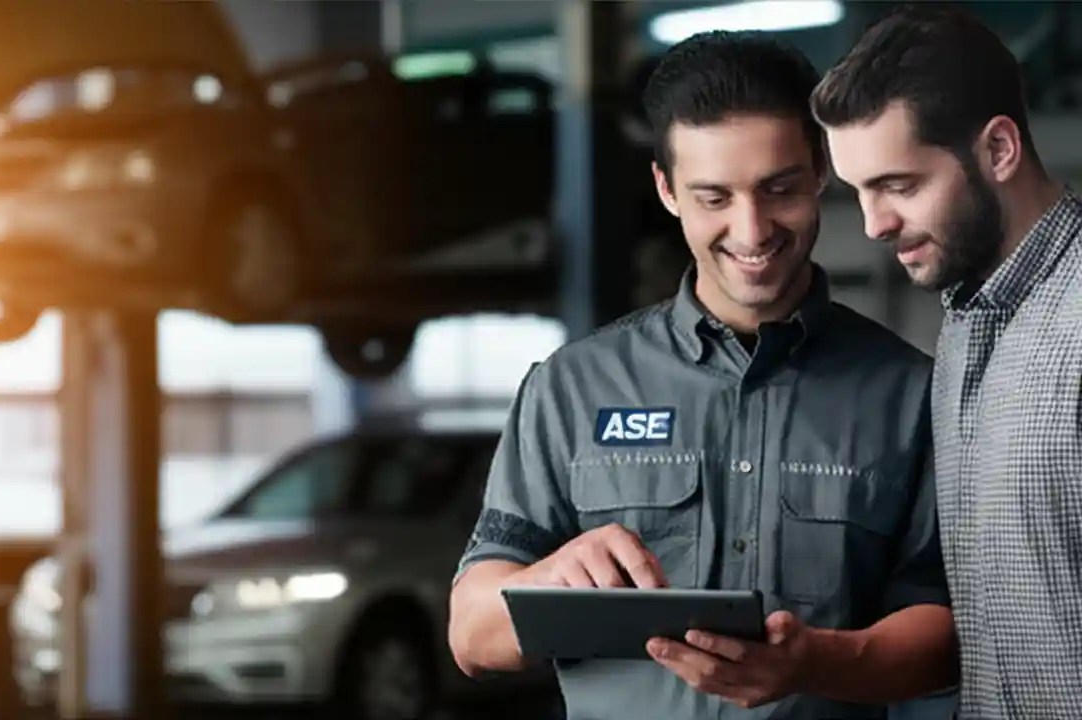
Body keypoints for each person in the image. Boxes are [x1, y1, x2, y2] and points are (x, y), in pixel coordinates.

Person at [447, 30, 957, 720]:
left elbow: (947, 637)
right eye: (714, 198)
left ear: (820, 172)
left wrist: (817, 662)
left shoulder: (912, 396)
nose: (751, 232)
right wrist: (540, 585)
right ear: (667, 189)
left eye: (777, 189)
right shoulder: (571, 389)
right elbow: (471, 637)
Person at [812, 4, 1082, 717]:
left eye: (899, 185)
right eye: (860, 192)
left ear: (998, 150)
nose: (873, 225)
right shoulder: (963, 325)